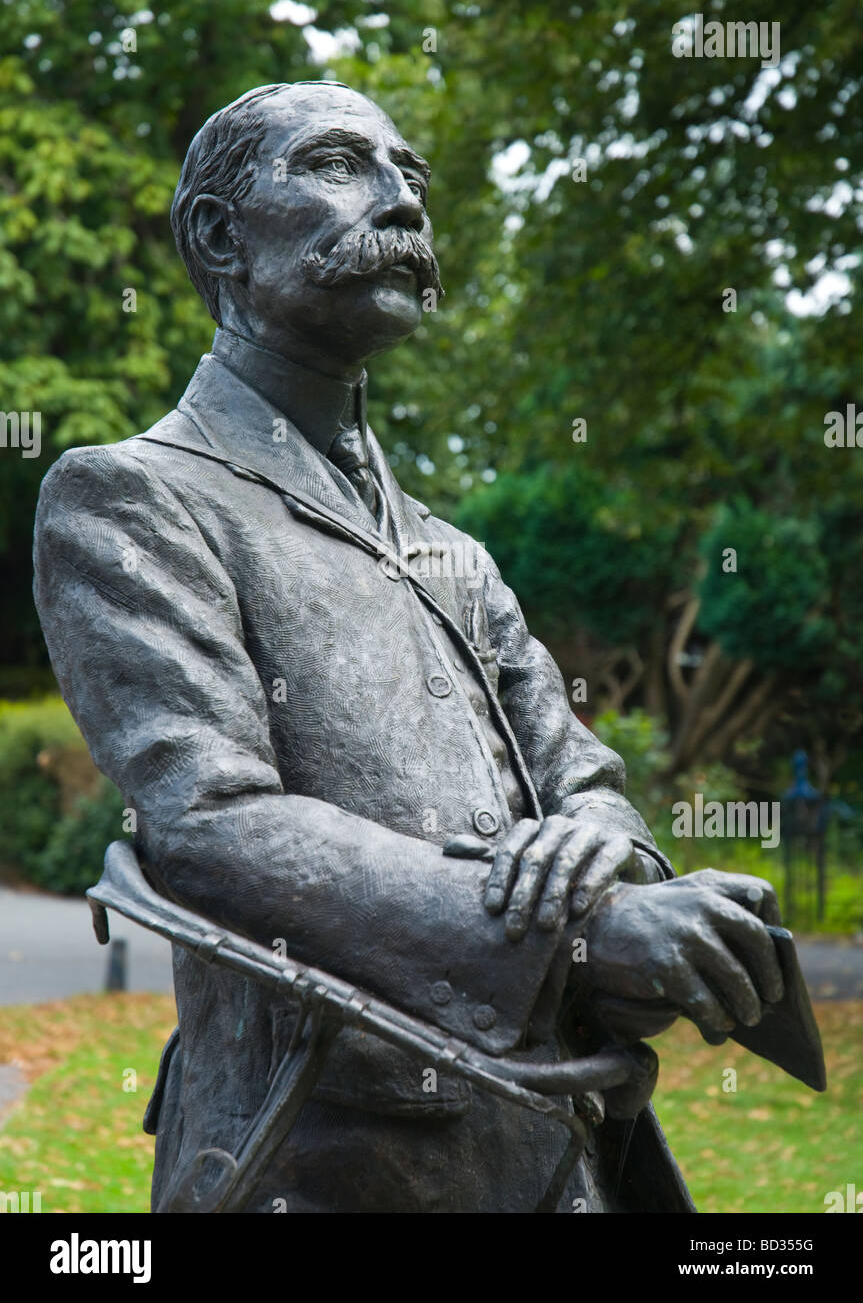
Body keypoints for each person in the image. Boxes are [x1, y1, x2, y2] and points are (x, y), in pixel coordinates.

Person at [33, 82, 785, 1213]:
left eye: (413, 177)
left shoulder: (452, 551)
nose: (400, 203)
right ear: (218, 235)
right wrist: (584, 930)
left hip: (555, 1153)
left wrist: (608, 861)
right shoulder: (130, 496)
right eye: (340, 164)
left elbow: (587, 782)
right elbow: (209, 822)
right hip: (320, 1158)